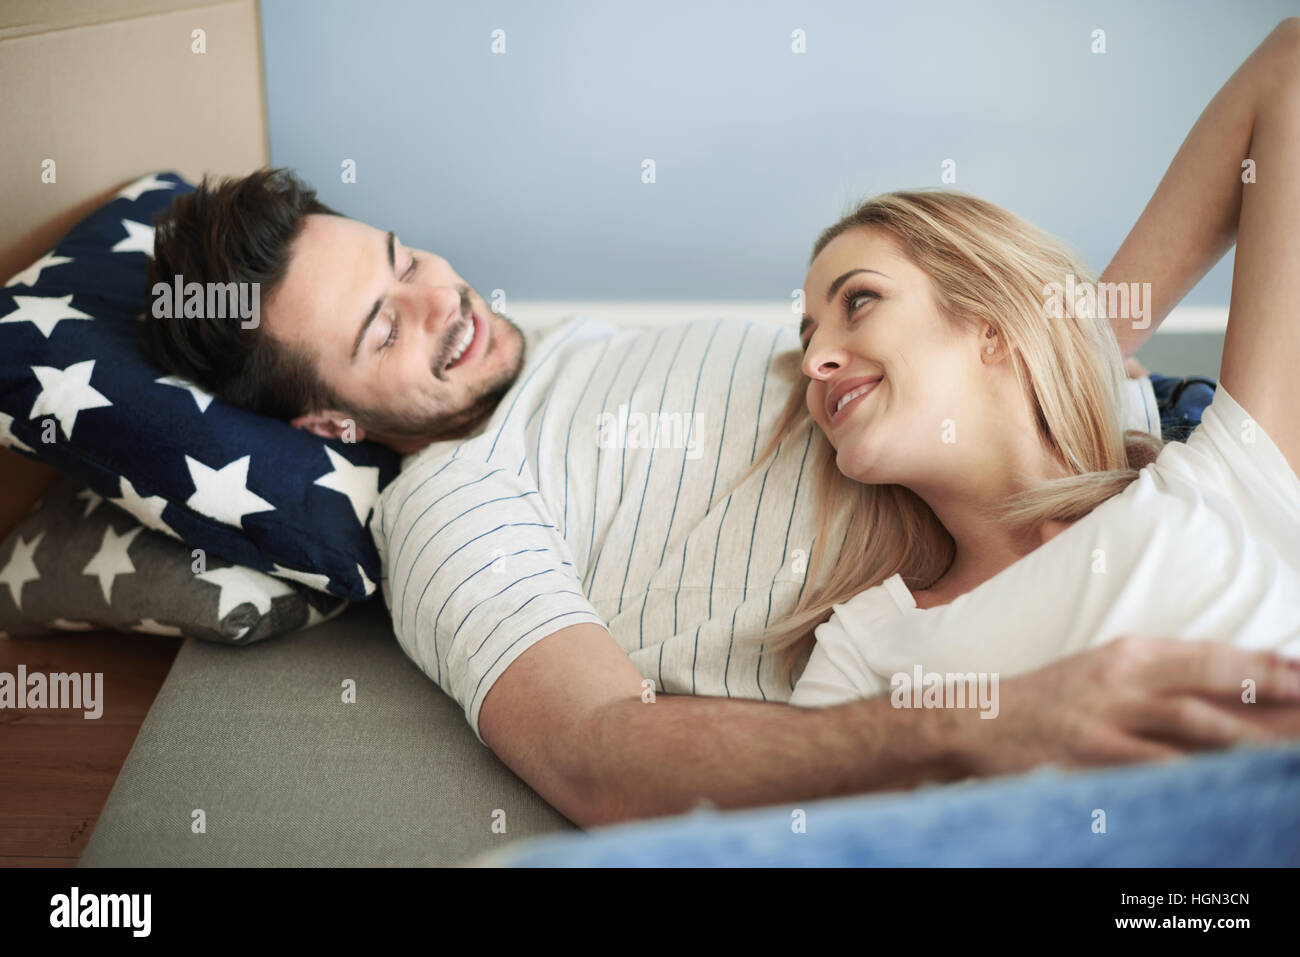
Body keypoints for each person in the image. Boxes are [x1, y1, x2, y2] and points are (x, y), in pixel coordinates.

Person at [136, 20, 1300, 827]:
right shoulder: (452, 503)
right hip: (992, 639)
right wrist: (987, 723)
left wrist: (1076, 358)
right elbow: (596, 747)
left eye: (404, 261)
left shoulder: (586, 343)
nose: (438, 306)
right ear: (331, 421)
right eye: (379, 330)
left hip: (1133, 462)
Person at [775, 21, 1300, 711]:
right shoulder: (867, 643)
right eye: (808, 336)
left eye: (860, 301)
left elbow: (1288, 65)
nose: (814, 360)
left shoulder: (1222, 478)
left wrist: (1086, 342)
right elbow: (796, 808)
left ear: (991, 325)